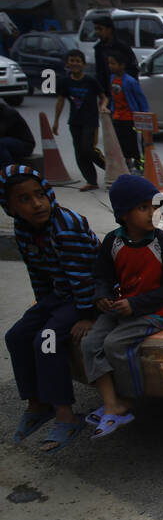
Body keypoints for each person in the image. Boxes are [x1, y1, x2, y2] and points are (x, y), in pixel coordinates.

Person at [3, 165, 99, 451]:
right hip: (60, 295)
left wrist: (87, 315)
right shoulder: (24, 229)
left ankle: (65, 414)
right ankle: (37, 403)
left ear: (48, 194)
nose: (36, 204)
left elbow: (83, 276)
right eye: (24, 199)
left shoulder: (65, 225)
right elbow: (37, 273)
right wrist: (41, 306)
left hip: (89, 294)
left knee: (46, 340)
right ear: (9, 206)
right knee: (17, 335)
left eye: (40, 195)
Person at [80, 174, 163, 438]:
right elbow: (102, 275)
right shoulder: (113, 241)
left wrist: (135, 304)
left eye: (155, 206)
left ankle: (129, 399)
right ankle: (110, 401)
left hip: (158, 312)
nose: (152, 213)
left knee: (115, 344)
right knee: (90, 344)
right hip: (122, 307)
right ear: (124, 214)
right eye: (143, 207)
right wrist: (101, 295)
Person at [53, 50, 103, 191]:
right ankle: (91, 181)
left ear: (84, 64)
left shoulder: (90, 81)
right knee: (79, 153)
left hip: (90, 121)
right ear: (67, 63)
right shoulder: (65, 81)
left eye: (78, 61)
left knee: (88, 149)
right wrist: (56, 121)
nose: (74, 64)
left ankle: (111, 168)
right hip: (74, 122)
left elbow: (103, 97)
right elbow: (60, 101)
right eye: (72, 61)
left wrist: (103, 106)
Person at [101, 51, 148, 173]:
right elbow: (113, 98)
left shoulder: (130, 81)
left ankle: (140, 166)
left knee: (135, 144)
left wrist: (144, 116)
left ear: (122, 65)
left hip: (130, 119)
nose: (110, 66)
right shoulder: (112, 79)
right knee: (122, 144)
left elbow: (141, 99)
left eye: (113, 63)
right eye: (109, 63)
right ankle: (127, 165)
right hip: (118, 118)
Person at [92, 16, 138, 94]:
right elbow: (100, 72)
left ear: (109, 30)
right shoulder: (98, 49)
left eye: (100, 29)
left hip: (123, 90)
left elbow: (133, 69)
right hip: (108, 92)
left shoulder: (121, 47)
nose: (97, 32)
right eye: (96, 29)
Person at [0, 98, 34, 168]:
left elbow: (1, 132)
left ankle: (10, 173)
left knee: (1, 144)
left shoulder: (8, 113)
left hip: (25, 144)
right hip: (9, 142)